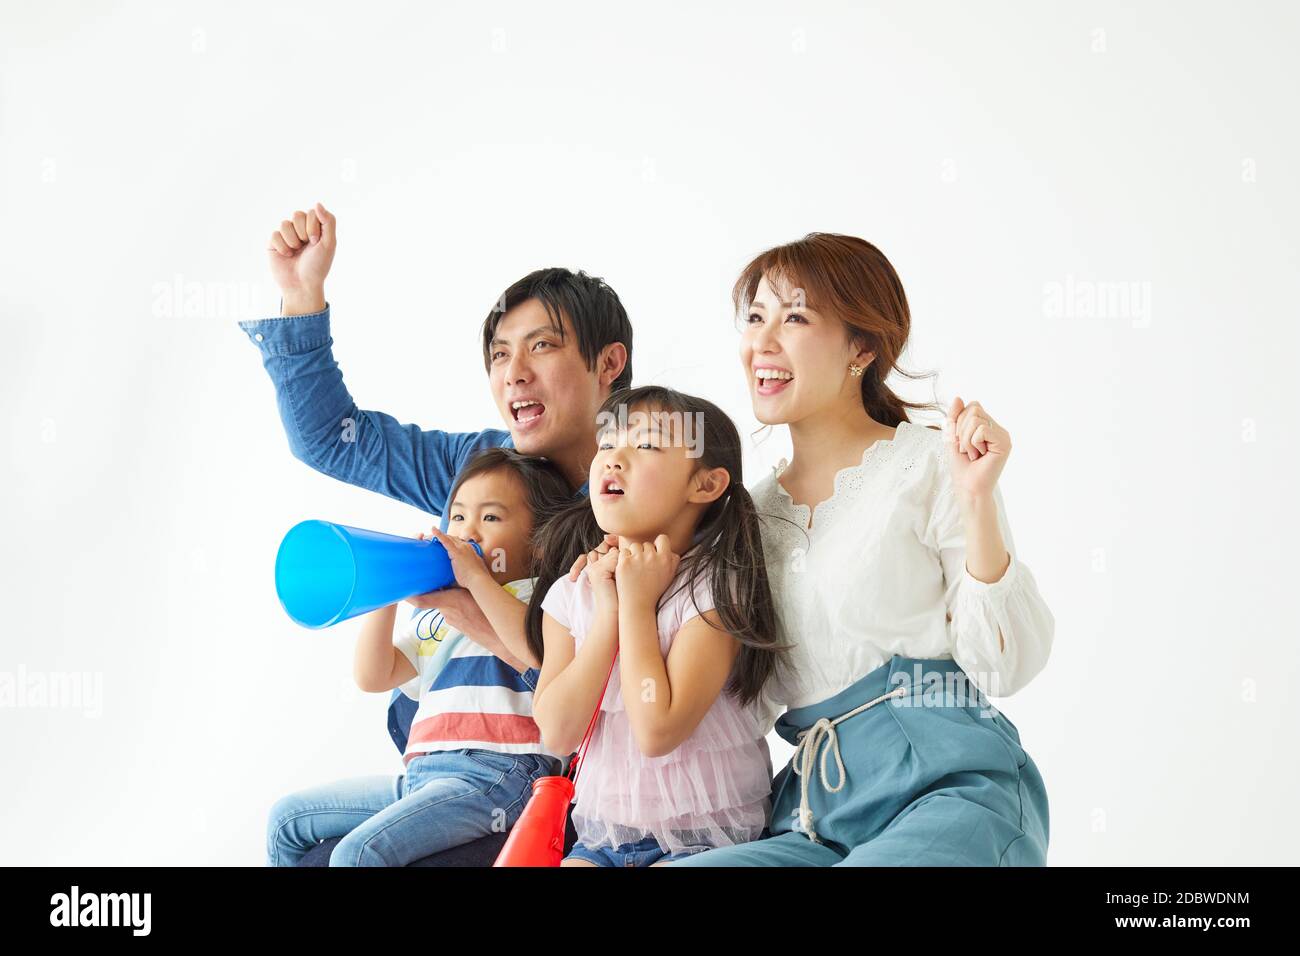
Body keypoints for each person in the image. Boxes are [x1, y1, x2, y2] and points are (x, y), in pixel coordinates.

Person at [568, 235, 1055, 865]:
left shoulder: (930, 465)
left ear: (862, 348)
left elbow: (1003, 666)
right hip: (814, 811)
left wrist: (979, 500)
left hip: (948, 786)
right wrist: (605, 577)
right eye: (754, 318)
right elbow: (700, 668)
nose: (763, 342)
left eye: (794, 317)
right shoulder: (744, 516)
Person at [241, 203, 631, 762]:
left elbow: (620, 690)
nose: (513, 372)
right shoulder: (479, 464)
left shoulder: (657, 485)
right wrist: (303, 294)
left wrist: (471, 604)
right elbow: (329, 437)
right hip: (436, 759)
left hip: (570, 791)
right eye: (499, 354)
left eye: (541, 346)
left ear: (608, 363)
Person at [266, 448, 574, 866]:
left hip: (499, 777)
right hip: (423, 775)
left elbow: (537, 653)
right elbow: (374, 675)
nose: (468, 533)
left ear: (539, 543)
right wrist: (386, 589)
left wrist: (476, 579)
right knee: (287, 820)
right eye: (459, 517)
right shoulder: (437, 616)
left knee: (357, 854)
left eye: (491, 518)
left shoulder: (543, 598)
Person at [529, 386, 787, 867]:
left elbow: (656, 730)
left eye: (645, 444)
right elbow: (557, 733)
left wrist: (637, 604)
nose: (613, 459)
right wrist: (609, 612)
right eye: (607, 444)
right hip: (604, 837)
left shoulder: (714, 590)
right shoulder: (574, 593)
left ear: (705, 485)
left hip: (709, 838)